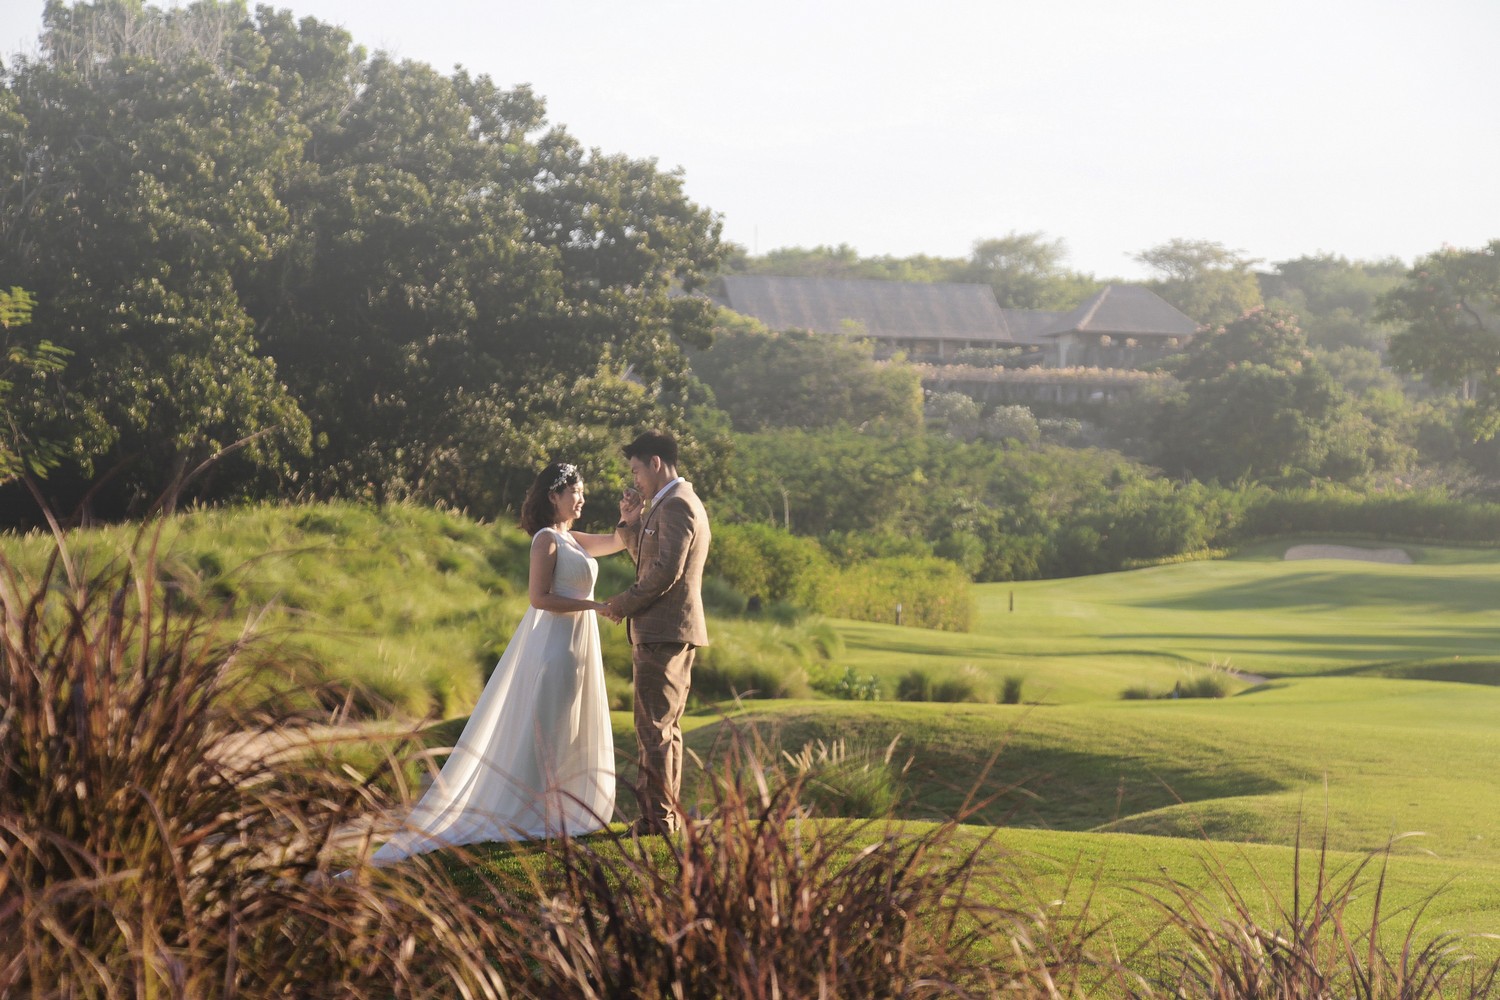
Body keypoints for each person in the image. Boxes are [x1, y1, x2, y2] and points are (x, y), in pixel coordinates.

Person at [369, 462, 629, 864]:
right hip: (556, 647)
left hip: (580, 647)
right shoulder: (546, 540)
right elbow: (539, 598)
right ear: (554, 496)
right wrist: (594, 606)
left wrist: (628, 517)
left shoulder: (574, 539)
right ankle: (532, 810)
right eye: (575, 492)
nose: (581, 499)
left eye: (582, 493)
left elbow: (617, 541)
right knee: (550, 725)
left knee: (571, 726)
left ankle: (563, 808)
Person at [602, 430, 711, 834]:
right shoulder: (668, 503)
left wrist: (622, 603)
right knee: (662, 729)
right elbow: (648, 561)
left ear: (656, 463)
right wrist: (631, 523)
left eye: (636, 470)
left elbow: (666, 572)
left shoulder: (677, 504)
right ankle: (663, 817)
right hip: (666, 629)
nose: (635, 480)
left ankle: (658, 821)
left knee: (655, 730)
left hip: (663, 630)